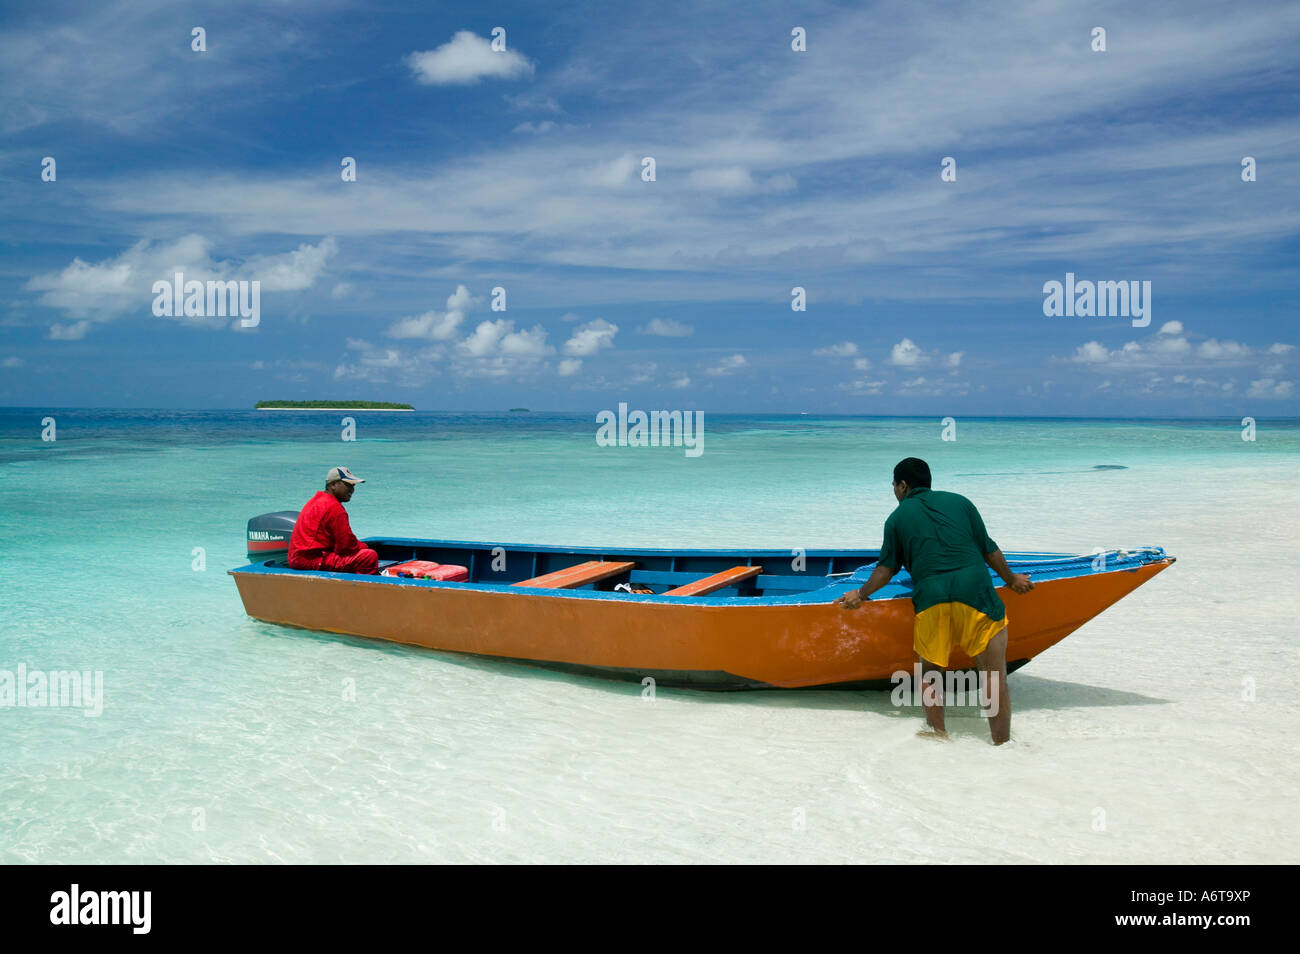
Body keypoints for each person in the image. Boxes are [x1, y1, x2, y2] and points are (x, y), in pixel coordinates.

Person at [837, 457, 1033, 744]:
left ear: (903, 485)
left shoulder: (896, 518)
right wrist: (1011, 579)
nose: (894, 491)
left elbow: (886, 569)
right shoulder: (961, 502)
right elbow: (988, 550)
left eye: (893, 486)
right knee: (992, 676)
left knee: (931, 673)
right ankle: (1003, 745)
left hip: (933, 600)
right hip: (977, 595)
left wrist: (861, 595)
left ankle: (938, 734)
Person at [287, 466, 379, 575]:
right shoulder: (334, 508)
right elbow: (346, 547)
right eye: (348, 485)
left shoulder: (317, 499)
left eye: (353, 486)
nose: (352, 490)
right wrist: (363, 547)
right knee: (369, 557)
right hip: (310, 560)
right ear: (333, 485)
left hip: (298, 557)